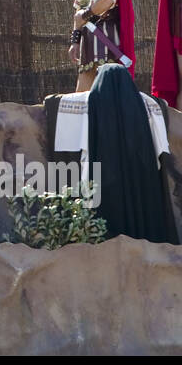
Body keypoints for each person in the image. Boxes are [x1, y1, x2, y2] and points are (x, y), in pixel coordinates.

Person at [61, 64, 172, 242]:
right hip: (137, 182)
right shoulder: (143, 105)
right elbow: (159, 150)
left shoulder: (94, 102)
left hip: (104, 182)